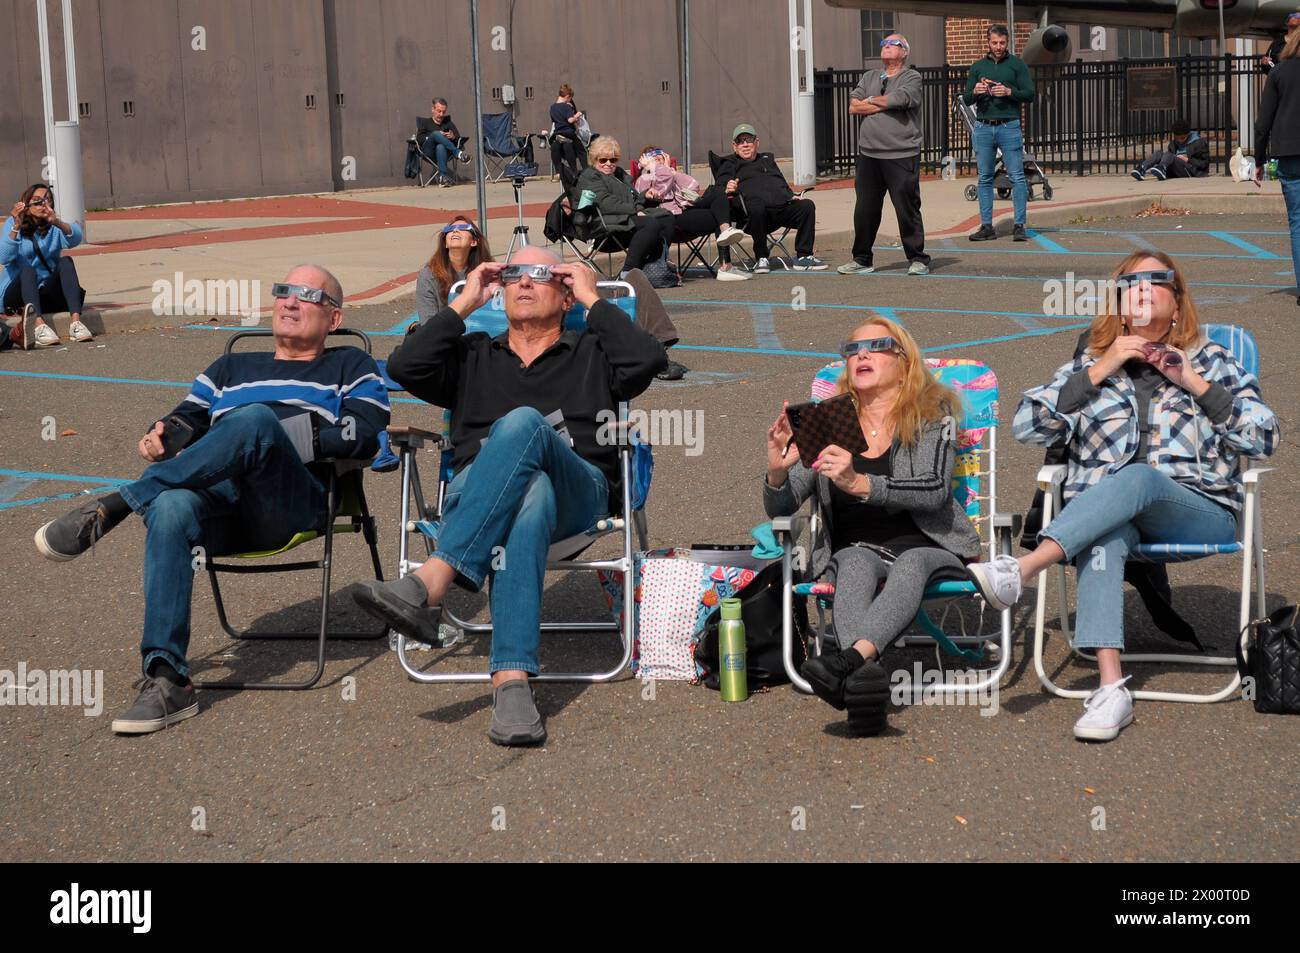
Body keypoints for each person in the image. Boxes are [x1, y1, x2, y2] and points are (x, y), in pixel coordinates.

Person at [33, 265, 391, 734]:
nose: (289, 301)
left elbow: (363, 434)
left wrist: (274, 437)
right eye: (283, 291)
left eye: (307, 295)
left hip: (289, 503)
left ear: (335, 317)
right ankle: (167, 678)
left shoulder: (351, 366)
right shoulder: (229, 369)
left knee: (253, 421)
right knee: (171, 506)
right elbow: (186, 420)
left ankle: (120, 503)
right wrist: (161, 436)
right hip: (220, 507)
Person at [353, 246, 666, 747]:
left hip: (578, 494)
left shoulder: (593, 351)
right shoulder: (473, 352)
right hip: (483, 493)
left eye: (541, 275)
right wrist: (462, 305)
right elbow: (404, 367)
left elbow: (651, 359)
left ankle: (433, 579)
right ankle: (512, 681)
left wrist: (593, 296)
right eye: (514, 274)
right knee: (529, 491)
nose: (524, 282)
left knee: (523, 424)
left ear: (565, 295)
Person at [965, 252, 1279, 743]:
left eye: (1158, 280)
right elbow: (1026, 425)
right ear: (1118, 302)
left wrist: (1192, 382)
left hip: (1200, 511)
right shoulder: (1092, 364)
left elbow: (1264, 438)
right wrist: (1101, 367)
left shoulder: (1214, 360)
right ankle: (1111, 689)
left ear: (1177, 305)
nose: (1143, 287)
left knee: (1138, 479)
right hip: (1105, 513)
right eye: (1131, 281)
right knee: (1105, 532)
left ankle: (1023, 569)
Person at [764, 318, 981, 737]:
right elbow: (783, 505)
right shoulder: (828, 424)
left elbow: (934, 490)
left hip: (927, 545)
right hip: (854, 548)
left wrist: (861, 484)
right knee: (855, 561)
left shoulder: (932, 416)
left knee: (912, 562)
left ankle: (847, 661)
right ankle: (864, 678)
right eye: (852, 348)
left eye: (878, 345)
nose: (861, 354)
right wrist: (775, 471)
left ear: (904, 361)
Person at [838, 33, 931, 277]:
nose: (887, 46)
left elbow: (901, 98)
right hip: (869, 154)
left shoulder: (911, 77)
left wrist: (869, 102)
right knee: (865, 208)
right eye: (884, 43)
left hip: (901, 153)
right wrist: (879, 102)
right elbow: (852, 105)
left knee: (906, 207)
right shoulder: (869, 76)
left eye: (893, 44)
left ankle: (917, 258)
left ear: (904, 52)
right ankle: (862, 259)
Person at [713, 124, 827, 272]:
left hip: (779, 210)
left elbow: (779, 180)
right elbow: (718, 189)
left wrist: (791, 195)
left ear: (757, 143)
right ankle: (762, 257)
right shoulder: (729, 164)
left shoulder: (767, 159)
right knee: (757, 205)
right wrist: (728, 188)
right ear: (734, 146)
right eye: (740, 141)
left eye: (749, 140)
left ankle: (803, 256)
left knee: (807, 205)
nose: (745, 144)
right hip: (751, 216)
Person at [634, 145, 749, 282]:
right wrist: (655, 168)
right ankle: (725, 249)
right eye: (653, 156)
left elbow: (693, 187)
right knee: (719, 211)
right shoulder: (644, 177)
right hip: (668, 220)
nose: (659, 157)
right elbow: (660, 190)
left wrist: (675, 173)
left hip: (685, 211)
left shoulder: (669, 173)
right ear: (645, 161)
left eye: (660, 154)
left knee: (718, 197)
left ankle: (726, 262)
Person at [963, 25, 1035, 243]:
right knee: (984, 178)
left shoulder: (1017, 65)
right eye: (994, 43)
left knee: (1016, 176)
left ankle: (1019, 226)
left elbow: (1029, 94)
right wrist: (974, 91)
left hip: (1009, 126)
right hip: (983, 127)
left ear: (1007, 42)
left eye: (1002, 43)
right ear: (988, 42)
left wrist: (1009, 92)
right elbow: (966, 99)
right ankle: (986, 226)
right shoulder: (978, 67)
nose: (998, 47)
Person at [1, 182, 92, 349]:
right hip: (18, 294)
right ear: (26, 205)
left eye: (47, 200)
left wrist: (56, 221)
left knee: (65, 261)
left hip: (43, 293)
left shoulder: (53, 226)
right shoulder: (14, 224)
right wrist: (16, 226)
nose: (44, 205)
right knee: (28, 270)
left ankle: (76, 324)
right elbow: (4, 257)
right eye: (37, 201)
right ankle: (39, 326)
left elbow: (75, 238)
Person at [576, 136, 677, 276]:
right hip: (605, 225)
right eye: (603, 160)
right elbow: (606, 203)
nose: (608, 163)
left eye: (613, 159)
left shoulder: (619, 174)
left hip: (625, 219)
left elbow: (633, 196)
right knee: (650, 223)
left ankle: (654, 264)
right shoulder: (591, 176)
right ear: (594, 160)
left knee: (667, 217)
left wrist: (645, 195)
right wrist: (635, 211)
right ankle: (628, 272)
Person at [1255, 27, 1300, 308]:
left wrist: (1258, 160)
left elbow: (1263, 123)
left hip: (1289, 153)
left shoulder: (1279, 74)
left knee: (1298, 222)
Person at [414, 216, 495, 325]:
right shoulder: (428, 275)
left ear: (474, 241)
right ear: (446, 243)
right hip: (442, 336)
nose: (455, 230)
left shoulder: (487, 272)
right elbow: (427, 324)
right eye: (450, 229)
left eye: (463, 228)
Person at [1130, 119, 1209, 181]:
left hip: (1191, 170)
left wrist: (1188, 160)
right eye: (1177, 138)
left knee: (1169, 154)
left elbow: (1204, 163)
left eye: (1182, 138)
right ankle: (1142, 169)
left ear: (1188, 134)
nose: (1179, 140)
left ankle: (1162, 168)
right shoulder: (1173, 143)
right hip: (1175, 169)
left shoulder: (1199, 143)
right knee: (1159, 153)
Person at [417, 98, 471, 186]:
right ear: (433, 109)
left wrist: (453, 137)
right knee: (435, 134)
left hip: (445, 153)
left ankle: (443, 178)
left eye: (443, 112)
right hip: (428, 152)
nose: (441, 114)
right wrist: (434, 136)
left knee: (440, 147)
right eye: (439, 111)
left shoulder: (448, 123)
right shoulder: (425, 123)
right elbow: (419, 139)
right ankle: (459, 154)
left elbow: (458, 139)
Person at [549, 84, 588, 180]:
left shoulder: (552, 107)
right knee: (582, 152)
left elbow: (554, 121)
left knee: (567, 146)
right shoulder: (566, 107)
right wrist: (577, 115)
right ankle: (586, 171)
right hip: (568, 132)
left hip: (558, 133)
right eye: (570, 98)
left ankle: (558, 172)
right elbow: (570, 120)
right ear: (567, 97)